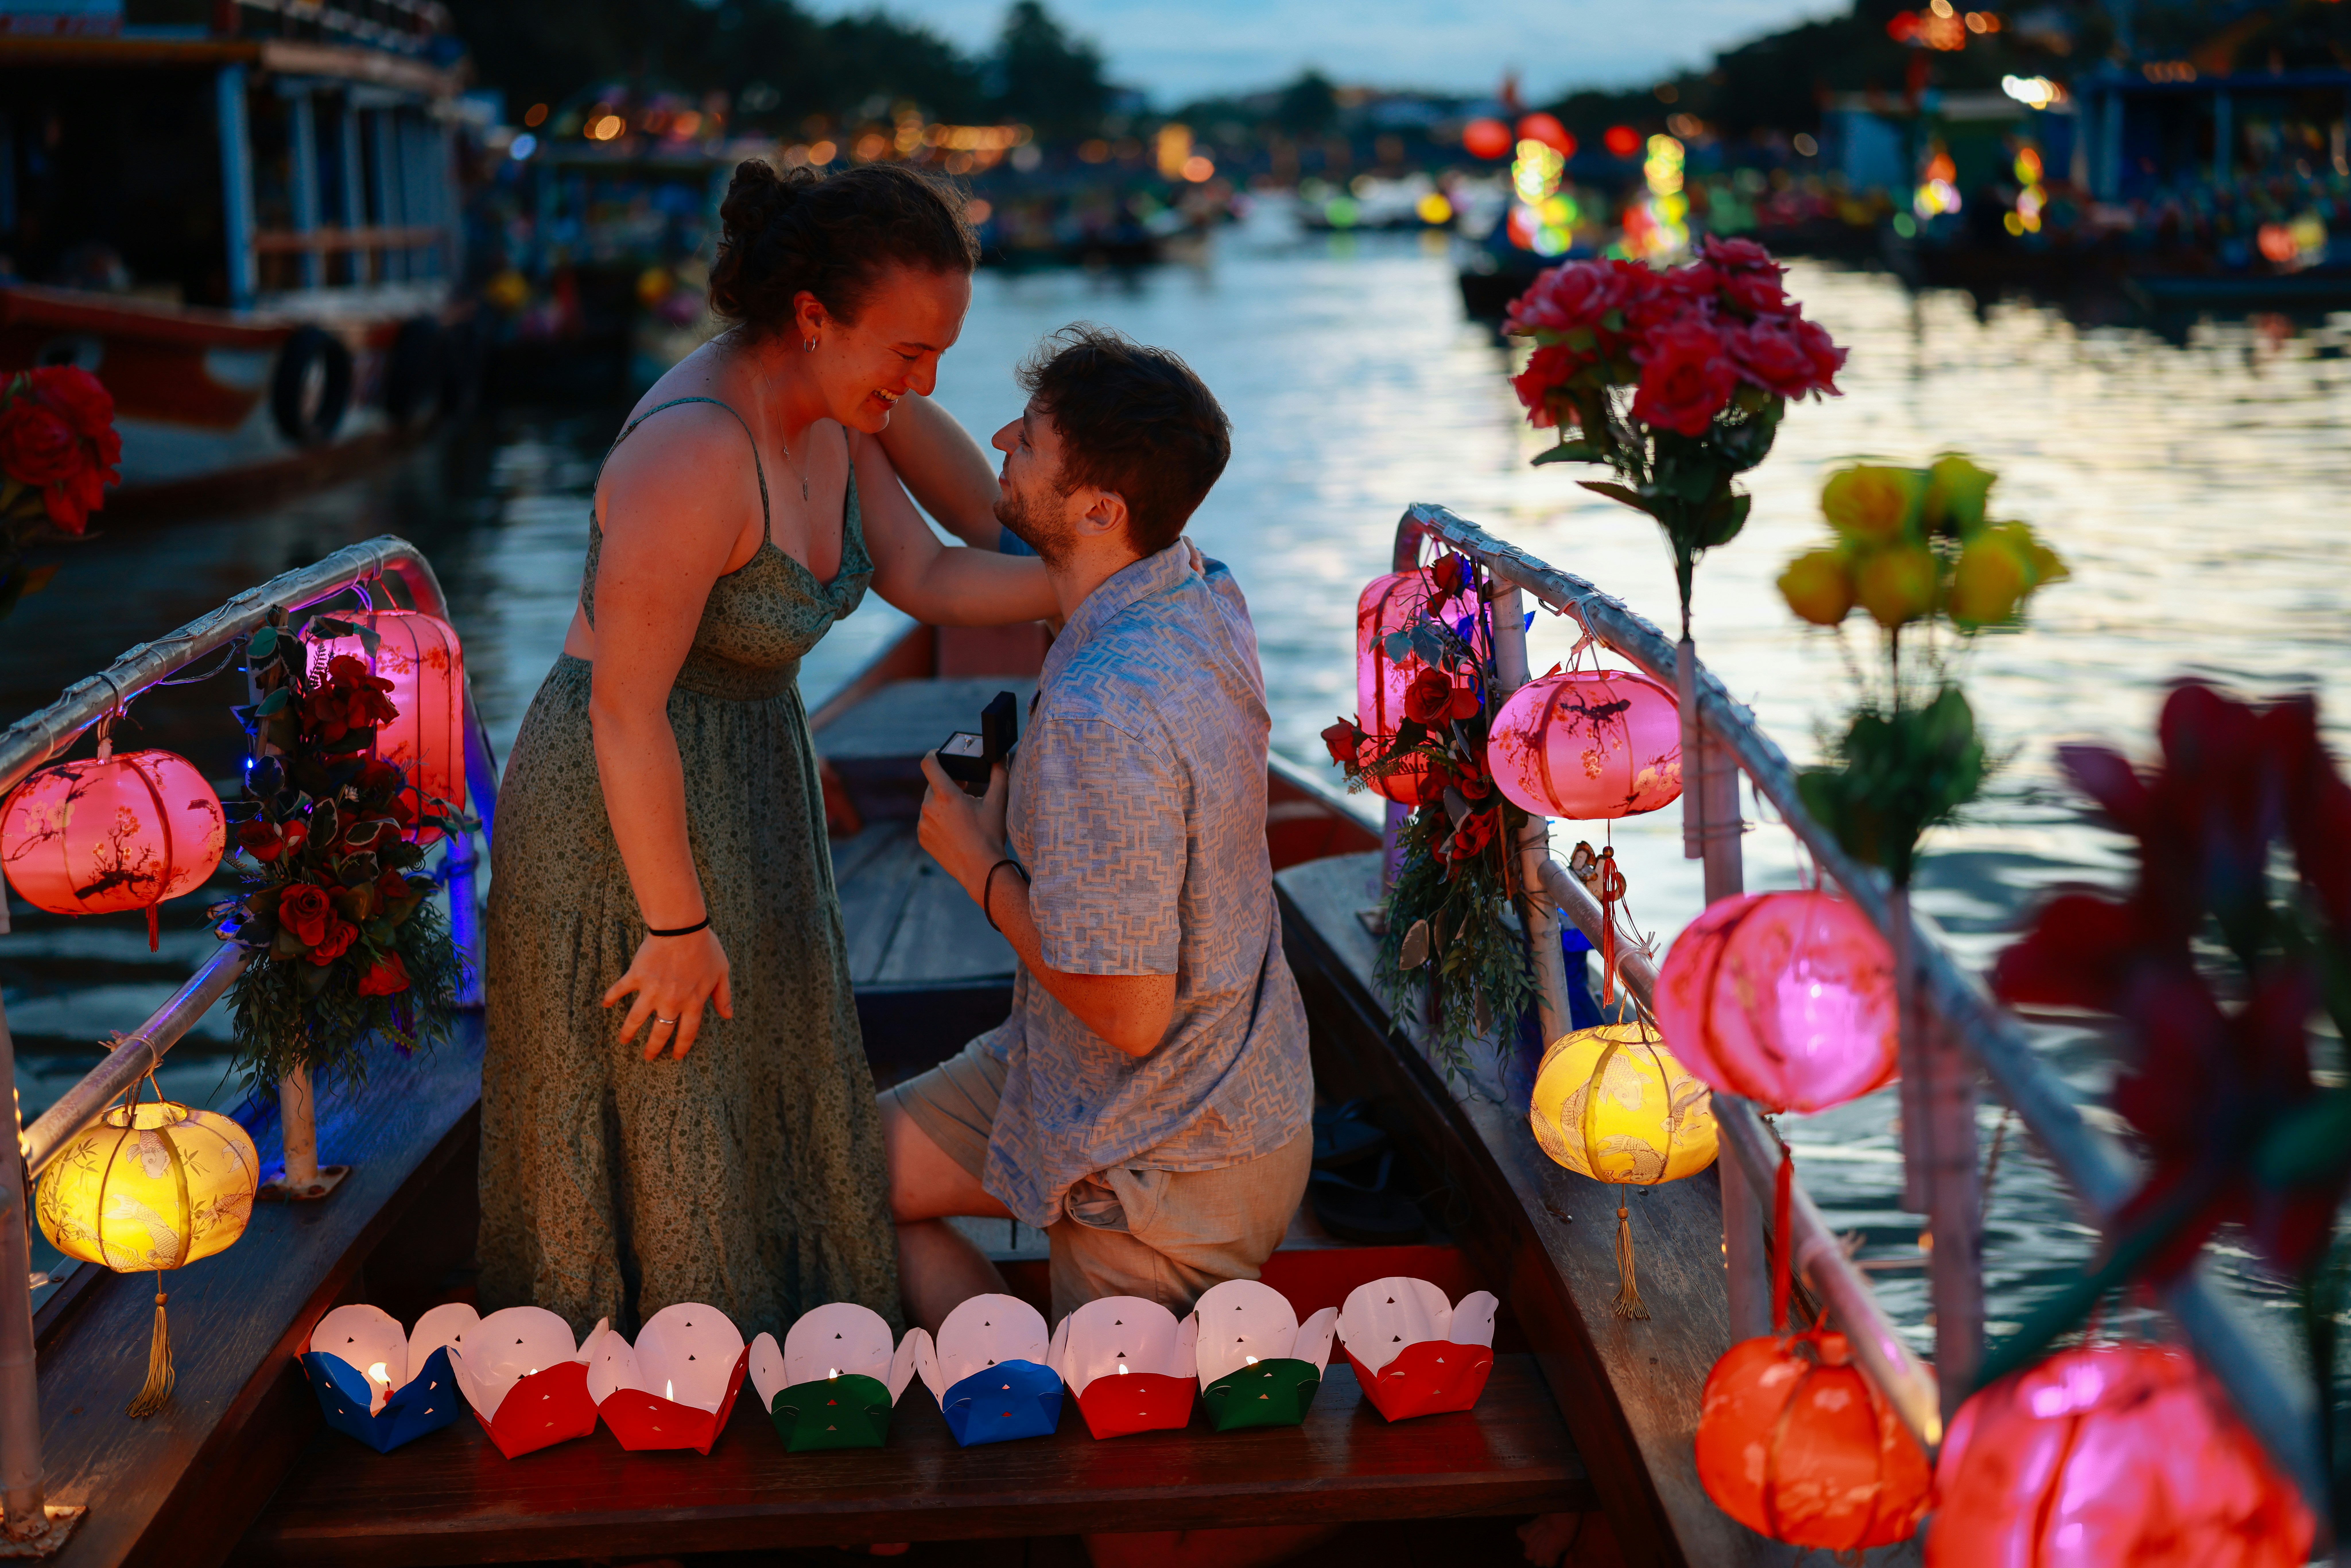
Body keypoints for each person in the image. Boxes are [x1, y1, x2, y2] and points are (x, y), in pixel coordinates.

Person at [478, 160, 1057, 1336]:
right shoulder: (692, 451)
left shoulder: (851, 409)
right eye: (907, 353)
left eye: (940, 350)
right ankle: (665, 1422)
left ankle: (813, 1382)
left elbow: (931, 572)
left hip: (755, 772)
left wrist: (1107, 582)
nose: (926, 381)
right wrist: (676, 928)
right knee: (675, 1106)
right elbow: (622, 712)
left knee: (776, 1096)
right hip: (623, 814)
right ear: (810, 316)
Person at [881, 325, 1315, 1335]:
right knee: (847, 1179)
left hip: (1167, 1148)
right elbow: (966, 545)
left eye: (1026, 442)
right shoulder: (1196, 589)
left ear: (1099, 510)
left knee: (1114, 1449)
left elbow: (1128, 1015)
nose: (999, 439)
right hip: (1152, 1077)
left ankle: (1027, 1398)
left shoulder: (1102, 710)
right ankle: (1007, 1360)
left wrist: (977, 866)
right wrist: (876, 398)